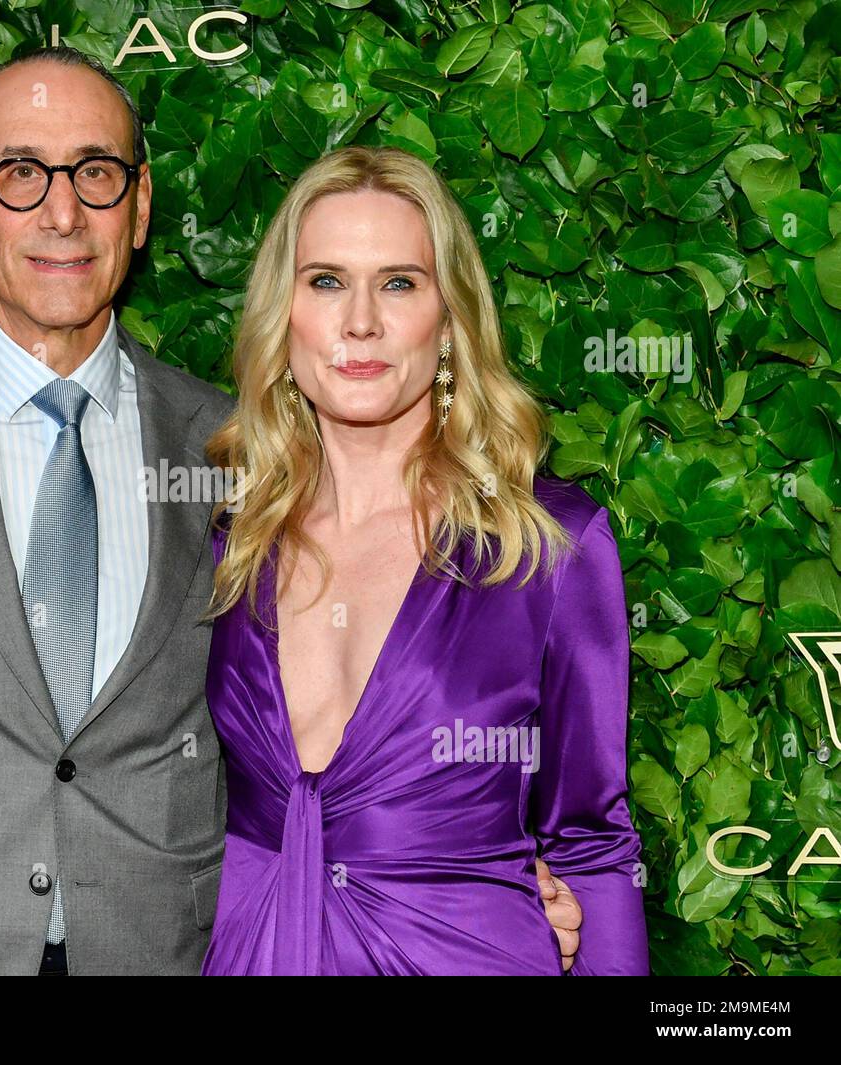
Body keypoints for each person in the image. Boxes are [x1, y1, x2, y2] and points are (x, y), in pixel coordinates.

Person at [0, 47, 584, 975]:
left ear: (141, 204)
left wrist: (477, 885)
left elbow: (310, 726)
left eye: (96, 173)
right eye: (19, 174)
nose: (61, 212)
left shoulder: (237, 450)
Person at [199, 145, 649, 975]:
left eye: (399, 282)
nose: (360, 321)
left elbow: (591, 845)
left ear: (448, 319)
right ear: (282, 312)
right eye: (325, 280)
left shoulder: (547, 548)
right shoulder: (229, 540)